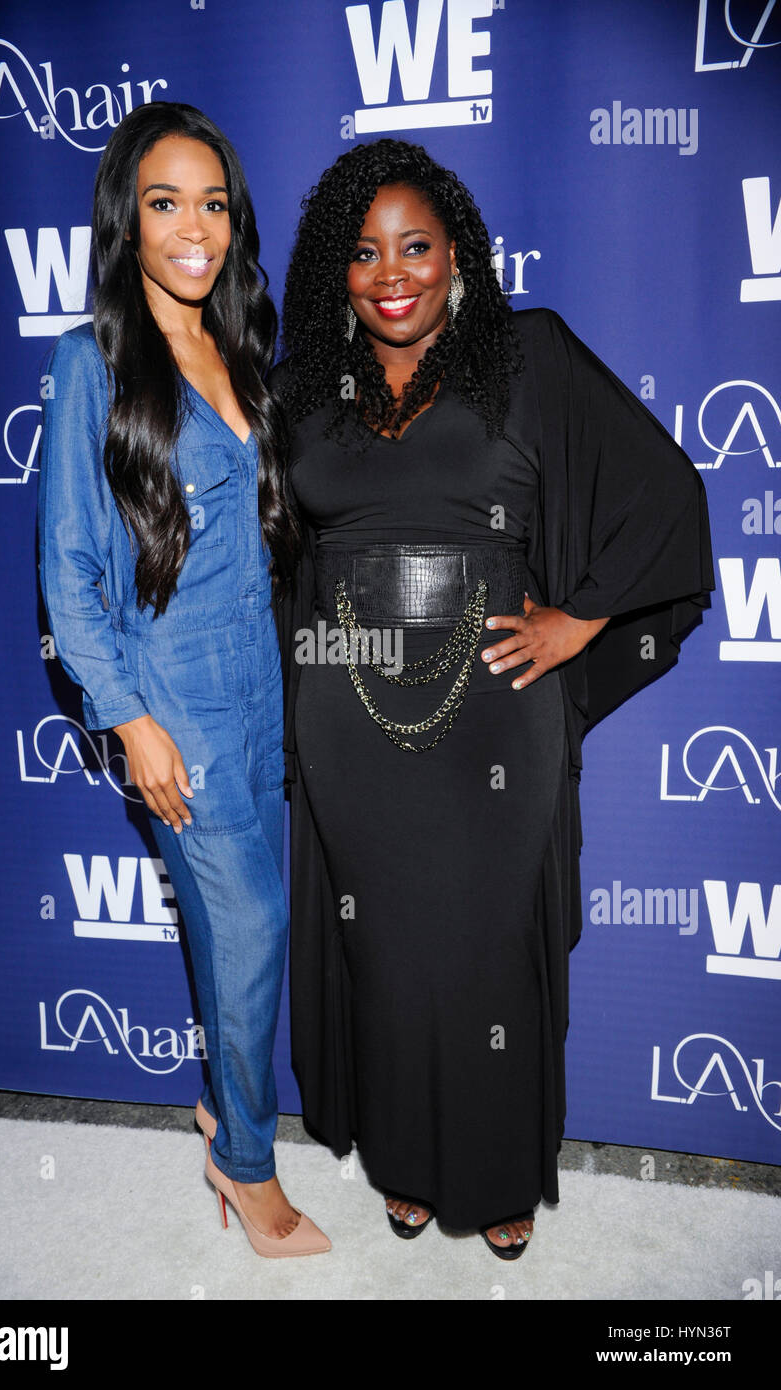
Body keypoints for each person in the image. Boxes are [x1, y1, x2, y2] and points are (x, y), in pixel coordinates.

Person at [273, 138, 713, 1256]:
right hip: (349, 724)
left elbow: (666, 491)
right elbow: (273, 557)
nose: (393, 272)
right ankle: (407, 1157)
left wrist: (585, 617)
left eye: (416, 244)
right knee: (385, 953)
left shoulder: (528, 354)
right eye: (364, 252)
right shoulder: (305, 389)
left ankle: (500, 1167)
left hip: (490, 726)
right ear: (337, 270)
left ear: (457, 250)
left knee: (483, 953)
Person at [37, 101, 329, 1258]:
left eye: (213, 203)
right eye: (167, 203)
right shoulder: (90, 362)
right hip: (179, 701)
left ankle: (225, 1100)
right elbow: (68, 566)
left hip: (266, 685)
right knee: (250, 925)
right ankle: (244, 1163)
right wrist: (132, 721)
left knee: (240, 930)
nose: (195, 227)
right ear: (127, 219)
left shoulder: (240, 347)